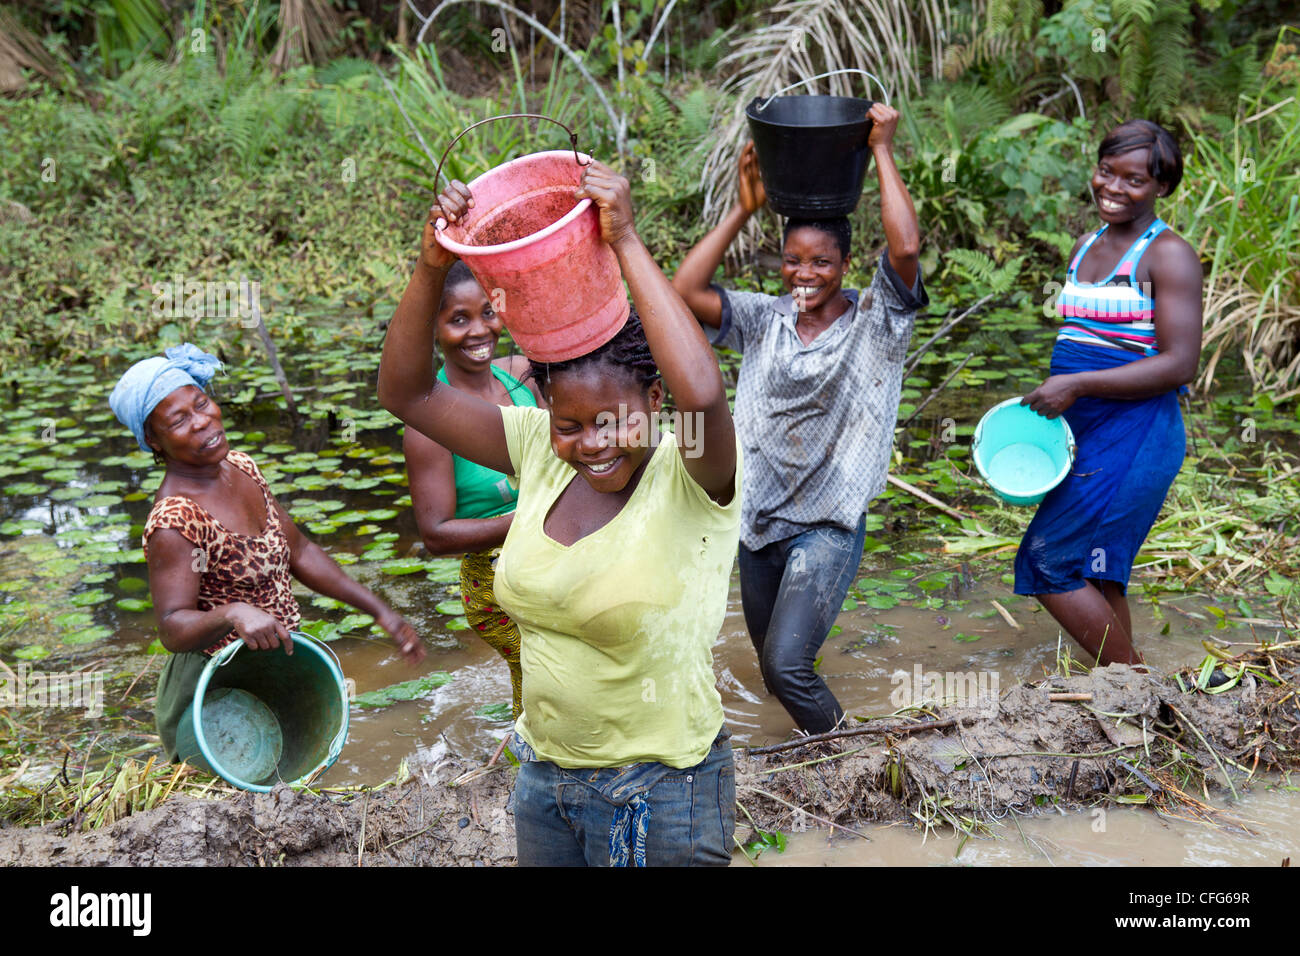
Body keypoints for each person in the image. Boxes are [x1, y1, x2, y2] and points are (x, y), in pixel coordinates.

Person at [378, 162, 742, 867]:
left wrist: (628, 240)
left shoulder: (693, 472)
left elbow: (704, 395)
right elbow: (407, 393)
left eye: (613, 421)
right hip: (545, 780)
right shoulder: (538, 449)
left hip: (662, 788)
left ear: (654, 404)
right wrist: (432, 264)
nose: (593, 445)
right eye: (571, 424)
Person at [671, 102, 926, 734]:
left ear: (844, 265)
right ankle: (823, 754)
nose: (804, 275)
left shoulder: (877, 321)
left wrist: (882, 150)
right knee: (773, 664)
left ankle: (854, 758)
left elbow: (908, 245)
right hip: (759, 522)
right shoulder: (764, 318)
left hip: (827, 525)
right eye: (793, 261)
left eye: (820, 263)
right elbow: (682, 292)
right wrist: (741, 210)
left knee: (787, 669)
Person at [109, 343, 426, 762]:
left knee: (304, 769)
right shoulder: (176, 520)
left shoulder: (241, 468)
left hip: (278, 665)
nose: (202, 422)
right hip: (213, 690)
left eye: (201, 403)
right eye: (179, 420)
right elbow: (171, 627)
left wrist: (379, 611)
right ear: (153, 439)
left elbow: (301, 551)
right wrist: (232, 613)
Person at [1016, 119, 1202, 667]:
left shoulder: (1167, 255)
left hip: (1138, 434)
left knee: (1048, 562)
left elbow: (1179, 362)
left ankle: (1134, 684)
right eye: (1106, 172)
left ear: (1161, 187)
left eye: (1134, 180)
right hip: (1082, 431)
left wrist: (1076, 383)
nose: (1113, 188)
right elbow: (1084, 341)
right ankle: (1134, 698)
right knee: (1098, 568)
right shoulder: (1086, 245)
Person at [404, 261, 544, 719]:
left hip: (555, 553)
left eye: (488, 312)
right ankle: (533, 766)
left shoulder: (521, 375)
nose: (479, 330)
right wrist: (529, 520)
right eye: (458, 319)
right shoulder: (429, 423)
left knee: (570, 679)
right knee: (547, 677)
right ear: (433, 328)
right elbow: (436, 534)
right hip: (495, 580)